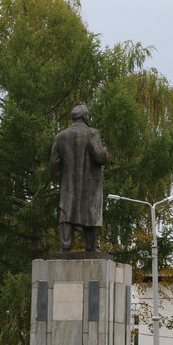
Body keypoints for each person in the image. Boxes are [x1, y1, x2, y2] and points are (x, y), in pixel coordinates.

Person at [50, 103, 109, 252]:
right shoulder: (92, 133)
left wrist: (61, 179)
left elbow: (54, 162)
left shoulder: (60, 136)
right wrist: (106, 155)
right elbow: (99, 156)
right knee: (90, 211)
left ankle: (65, 246)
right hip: (90, 183)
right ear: (84, 117)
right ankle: (90, 247)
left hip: (68, 182)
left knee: (67, 211)